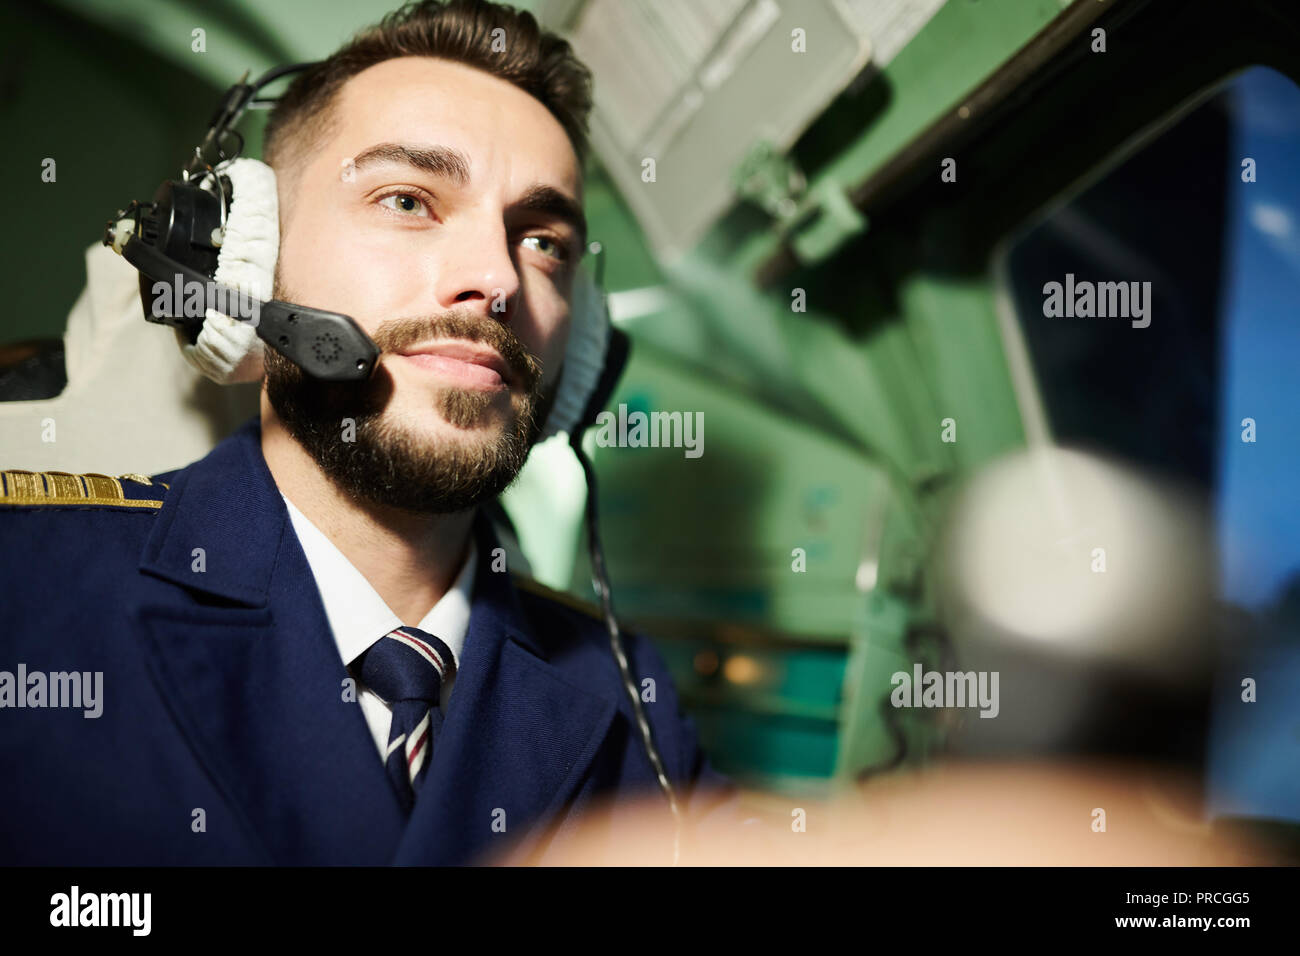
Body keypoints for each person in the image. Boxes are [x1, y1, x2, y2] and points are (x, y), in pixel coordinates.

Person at [0, 0, 735, 866]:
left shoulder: (626, 689)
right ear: (243, 266)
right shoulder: (25, 597)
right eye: (409, 200)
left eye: (542, 241)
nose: (496, 278)